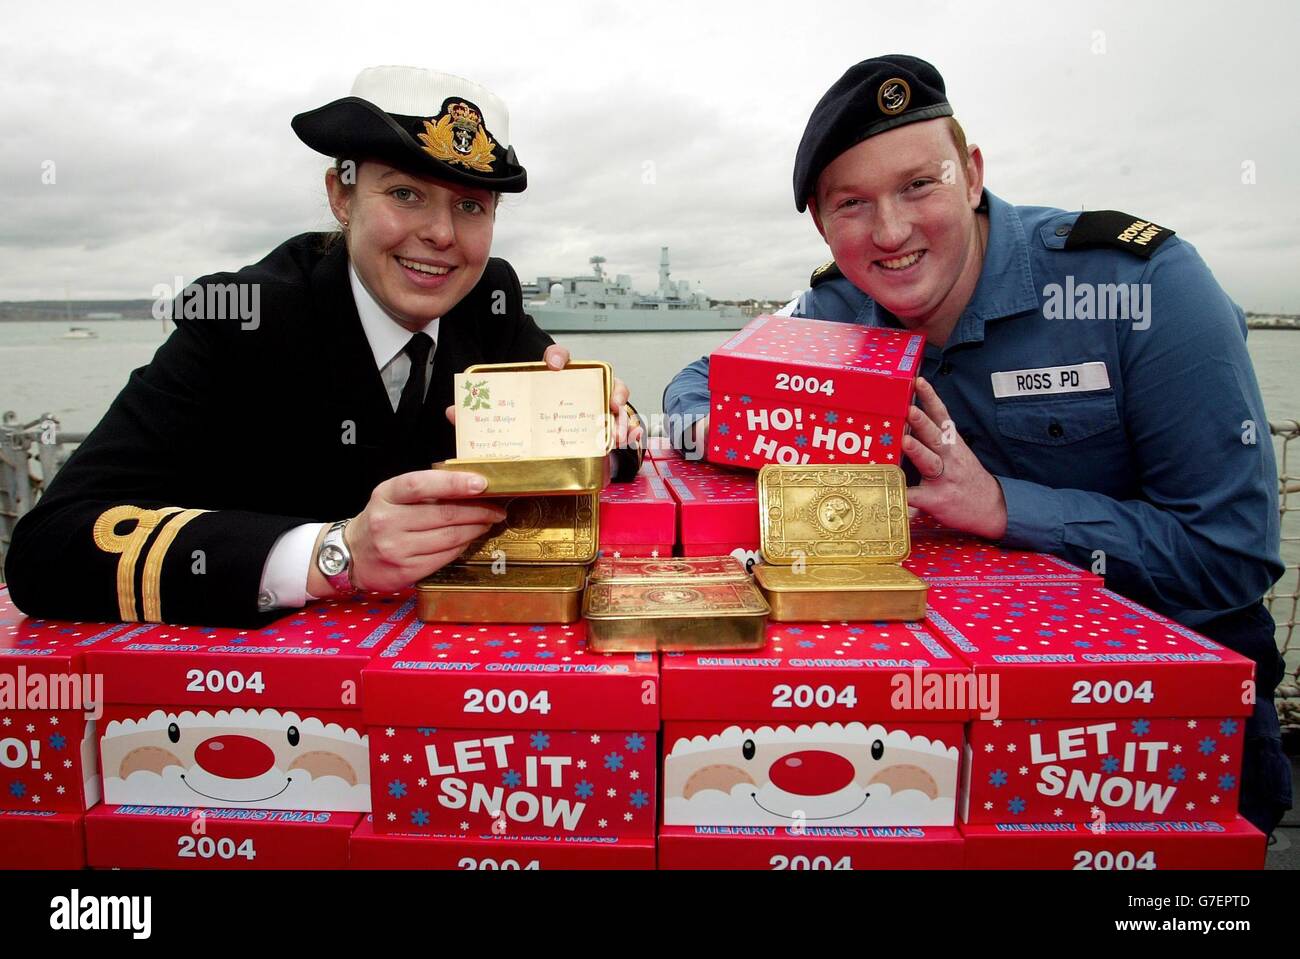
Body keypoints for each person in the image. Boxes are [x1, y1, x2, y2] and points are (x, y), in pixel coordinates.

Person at [663, 55, 1291, 835]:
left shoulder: (1144, 285)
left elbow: (1231, 553)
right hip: (935, 722)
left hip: (1161, 732)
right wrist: (785, 434)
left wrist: (1002, 507)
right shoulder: (837, 305)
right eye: (851, 204)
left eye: (918, 185)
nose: (890, 232)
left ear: (972, 173)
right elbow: (696, 387)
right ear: (823, 225)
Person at [5, 66, 639, 629]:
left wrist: (604, 425)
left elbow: (611, 437)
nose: (442, 234)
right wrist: (333, 554)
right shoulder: (240, 319)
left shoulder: (486, 298)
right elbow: (47, 547)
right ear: (341, 195)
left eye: (470, 205)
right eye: (405, 193)